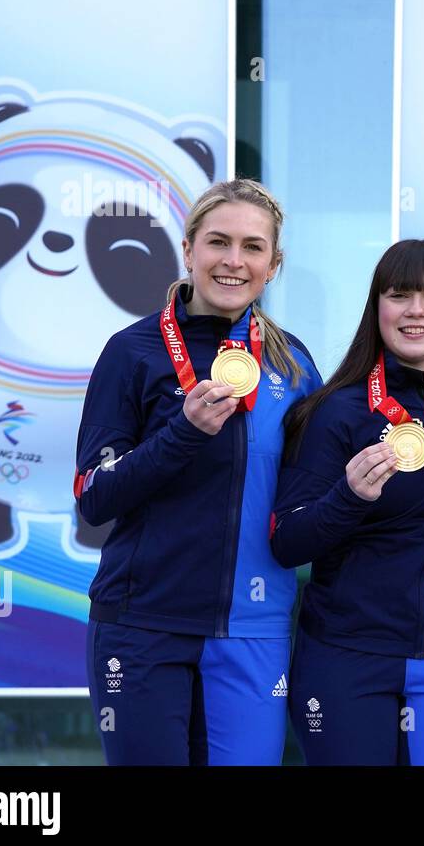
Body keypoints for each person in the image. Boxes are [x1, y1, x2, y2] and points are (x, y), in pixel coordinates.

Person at [76, 178, 321, 765]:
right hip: (143, 625)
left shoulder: (295, 364)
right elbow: (94, 497)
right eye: (218, 242)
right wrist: (182, 433)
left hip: (252, 630)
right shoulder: (132, 352)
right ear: (188, 250)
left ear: (274, 263)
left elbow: (311, 500)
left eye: (253, 247)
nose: (233, 261)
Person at [271, 239, 424, 765]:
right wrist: (348, 497)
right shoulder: (334, 411)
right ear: (377, 308)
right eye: (400, 296)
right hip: (348, 651)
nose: (417, 311)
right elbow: (288, 540)